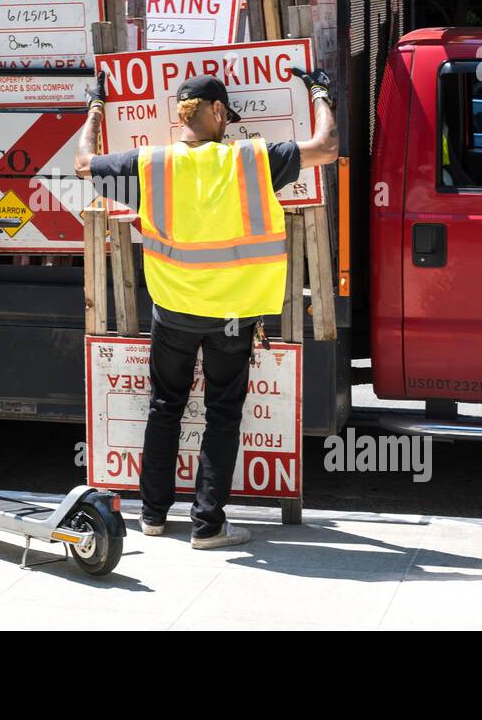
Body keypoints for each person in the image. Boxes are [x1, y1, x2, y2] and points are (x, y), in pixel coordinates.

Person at [75, 71, 337, 548]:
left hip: (172, 309)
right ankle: (207, 525)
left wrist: (94, 107)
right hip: (232, 316)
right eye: (228, 117)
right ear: (217, 112)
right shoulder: (252, 160)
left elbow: (82, 163)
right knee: (221, 414)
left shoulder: (151, 164)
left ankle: (152, 516)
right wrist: (320, 93)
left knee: (164, 407)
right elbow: (326, 147)